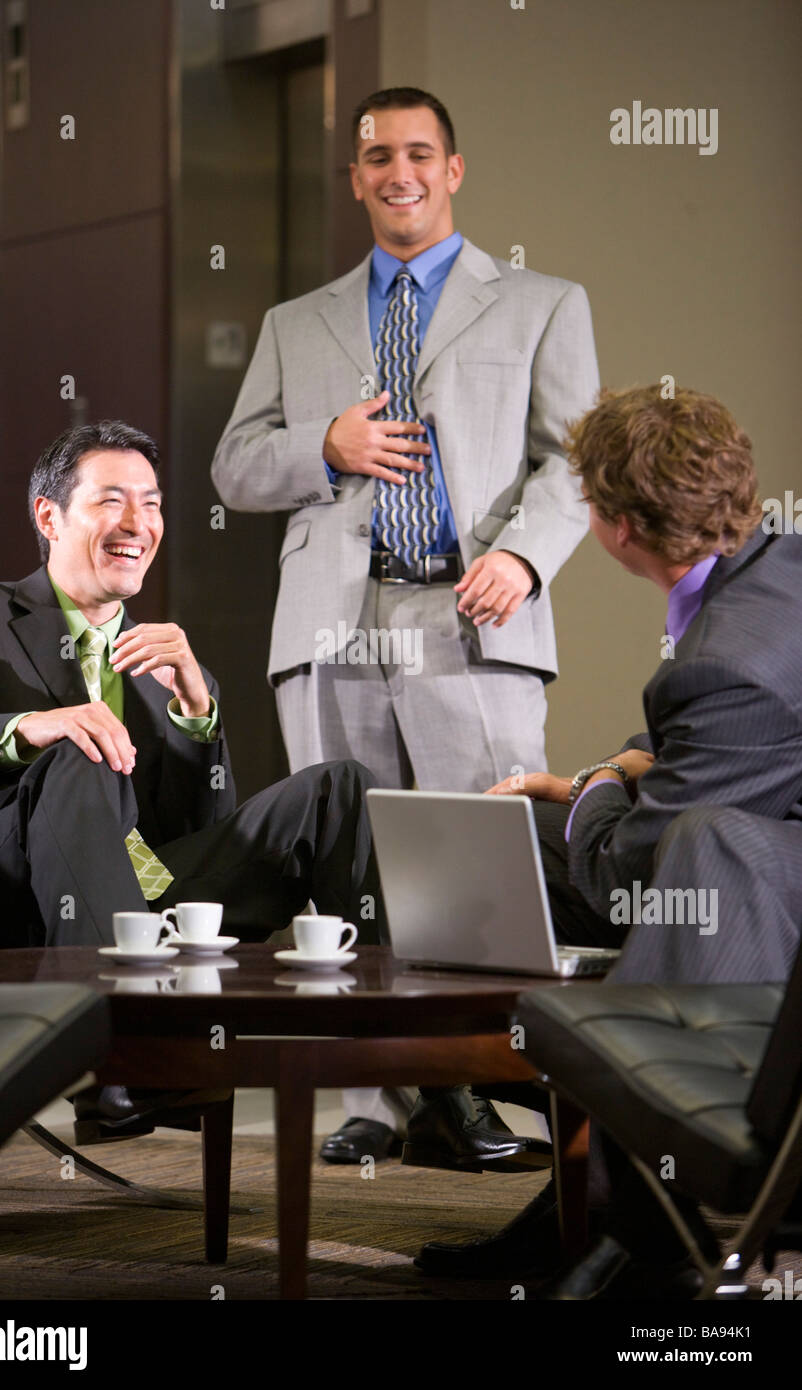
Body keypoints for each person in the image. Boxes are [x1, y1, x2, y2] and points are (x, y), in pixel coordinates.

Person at [212, 86, 599, 1166]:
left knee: (478, 868)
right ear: (354, 175)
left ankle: (472, 1083)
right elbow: (233, 466)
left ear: (454, 168)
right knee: (346, 866)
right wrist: (323, 448)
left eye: (418, 153)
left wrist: (522, 556)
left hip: (465, 616)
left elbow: (572, 457)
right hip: (331, 623)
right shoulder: (300, 321)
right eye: (376, 154)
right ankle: (373, 1102)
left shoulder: (539, 302)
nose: (398, 172)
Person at [416, 383, 802, 1295]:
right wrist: (618, 769)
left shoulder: (725, 662)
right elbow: (711, 746)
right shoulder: (779, 570)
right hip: (751, 842)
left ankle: (625, 1223)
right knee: (497, 842)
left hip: (755, 887)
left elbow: (630, 870)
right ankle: (576, 1197)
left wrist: (593, 783)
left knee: (680, 851)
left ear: (617, 527)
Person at [0, 419, 382, 1142]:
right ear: (49, 517)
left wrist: (196, 712)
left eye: (152, 503)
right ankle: (127, 1061)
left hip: (145, 893)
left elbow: (205, 830)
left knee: (340, 789)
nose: (138, 523)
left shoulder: (169, 665)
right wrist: (31, 730)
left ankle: (430, 1085)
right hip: (8, 894)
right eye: (112, 500)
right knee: (81, 746)